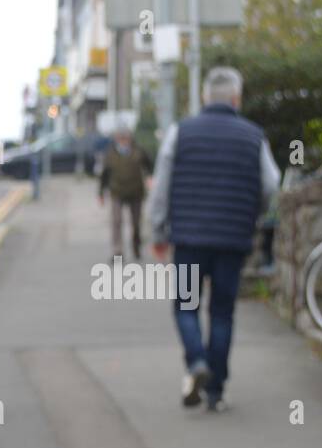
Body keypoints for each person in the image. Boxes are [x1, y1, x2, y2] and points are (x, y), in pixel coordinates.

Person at [148, 67, 280, 413]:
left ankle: (196, 362)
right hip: (232, 240)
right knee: (222, 313)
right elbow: (270, 184)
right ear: (236, 98)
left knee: (186, 307)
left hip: (189, 240)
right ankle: (216, 392)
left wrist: (159, 231)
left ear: (206, 97)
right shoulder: (254, 136)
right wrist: (253, 216)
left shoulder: (181, 132)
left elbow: (161, 186)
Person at [98, 127, 153, 261]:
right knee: (116, 221)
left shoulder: (138, 151)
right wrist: (100, 193)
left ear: (130, 139)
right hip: (117, 192)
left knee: (136, 222)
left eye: (125, 138)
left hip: (136, 192)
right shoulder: (110, 154)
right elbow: (104, 174)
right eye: (120, 138)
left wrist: (150, 177)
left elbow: (150, 165)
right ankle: (117, 250)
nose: (123, 141)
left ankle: (136, 245)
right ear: (116, 139)